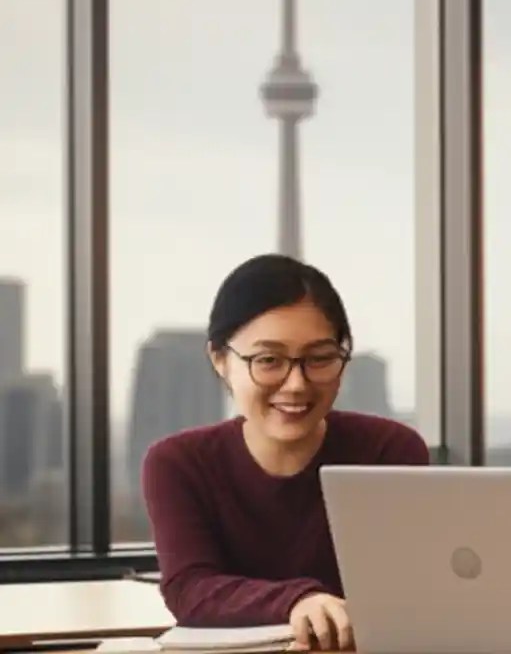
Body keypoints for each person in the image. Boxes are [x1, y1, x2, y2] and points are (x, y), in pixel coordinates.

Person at [142, 254, 431, 652]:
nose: (296, 384)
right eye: (268, 360)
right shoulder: (178, 463)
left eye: (320, 358)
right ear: (220, 361)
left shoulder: (389, 452)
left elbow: (411, 591)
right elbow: (190, 588)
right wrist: (298, 601)